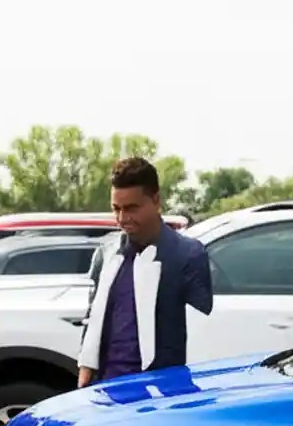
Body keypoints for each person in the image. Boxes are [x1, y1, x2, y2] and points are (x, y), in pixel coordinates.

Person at [78, 157, 213, 386]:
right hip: (105, 392)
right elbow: (93, 321)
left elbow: (204, 328)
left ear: (156, 200)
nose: (122, 219)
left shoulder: (187, 254)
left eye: (131, 208)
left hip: (160, 395)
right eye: (116, 209)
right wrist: (83, 382)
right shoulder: (107, 254)